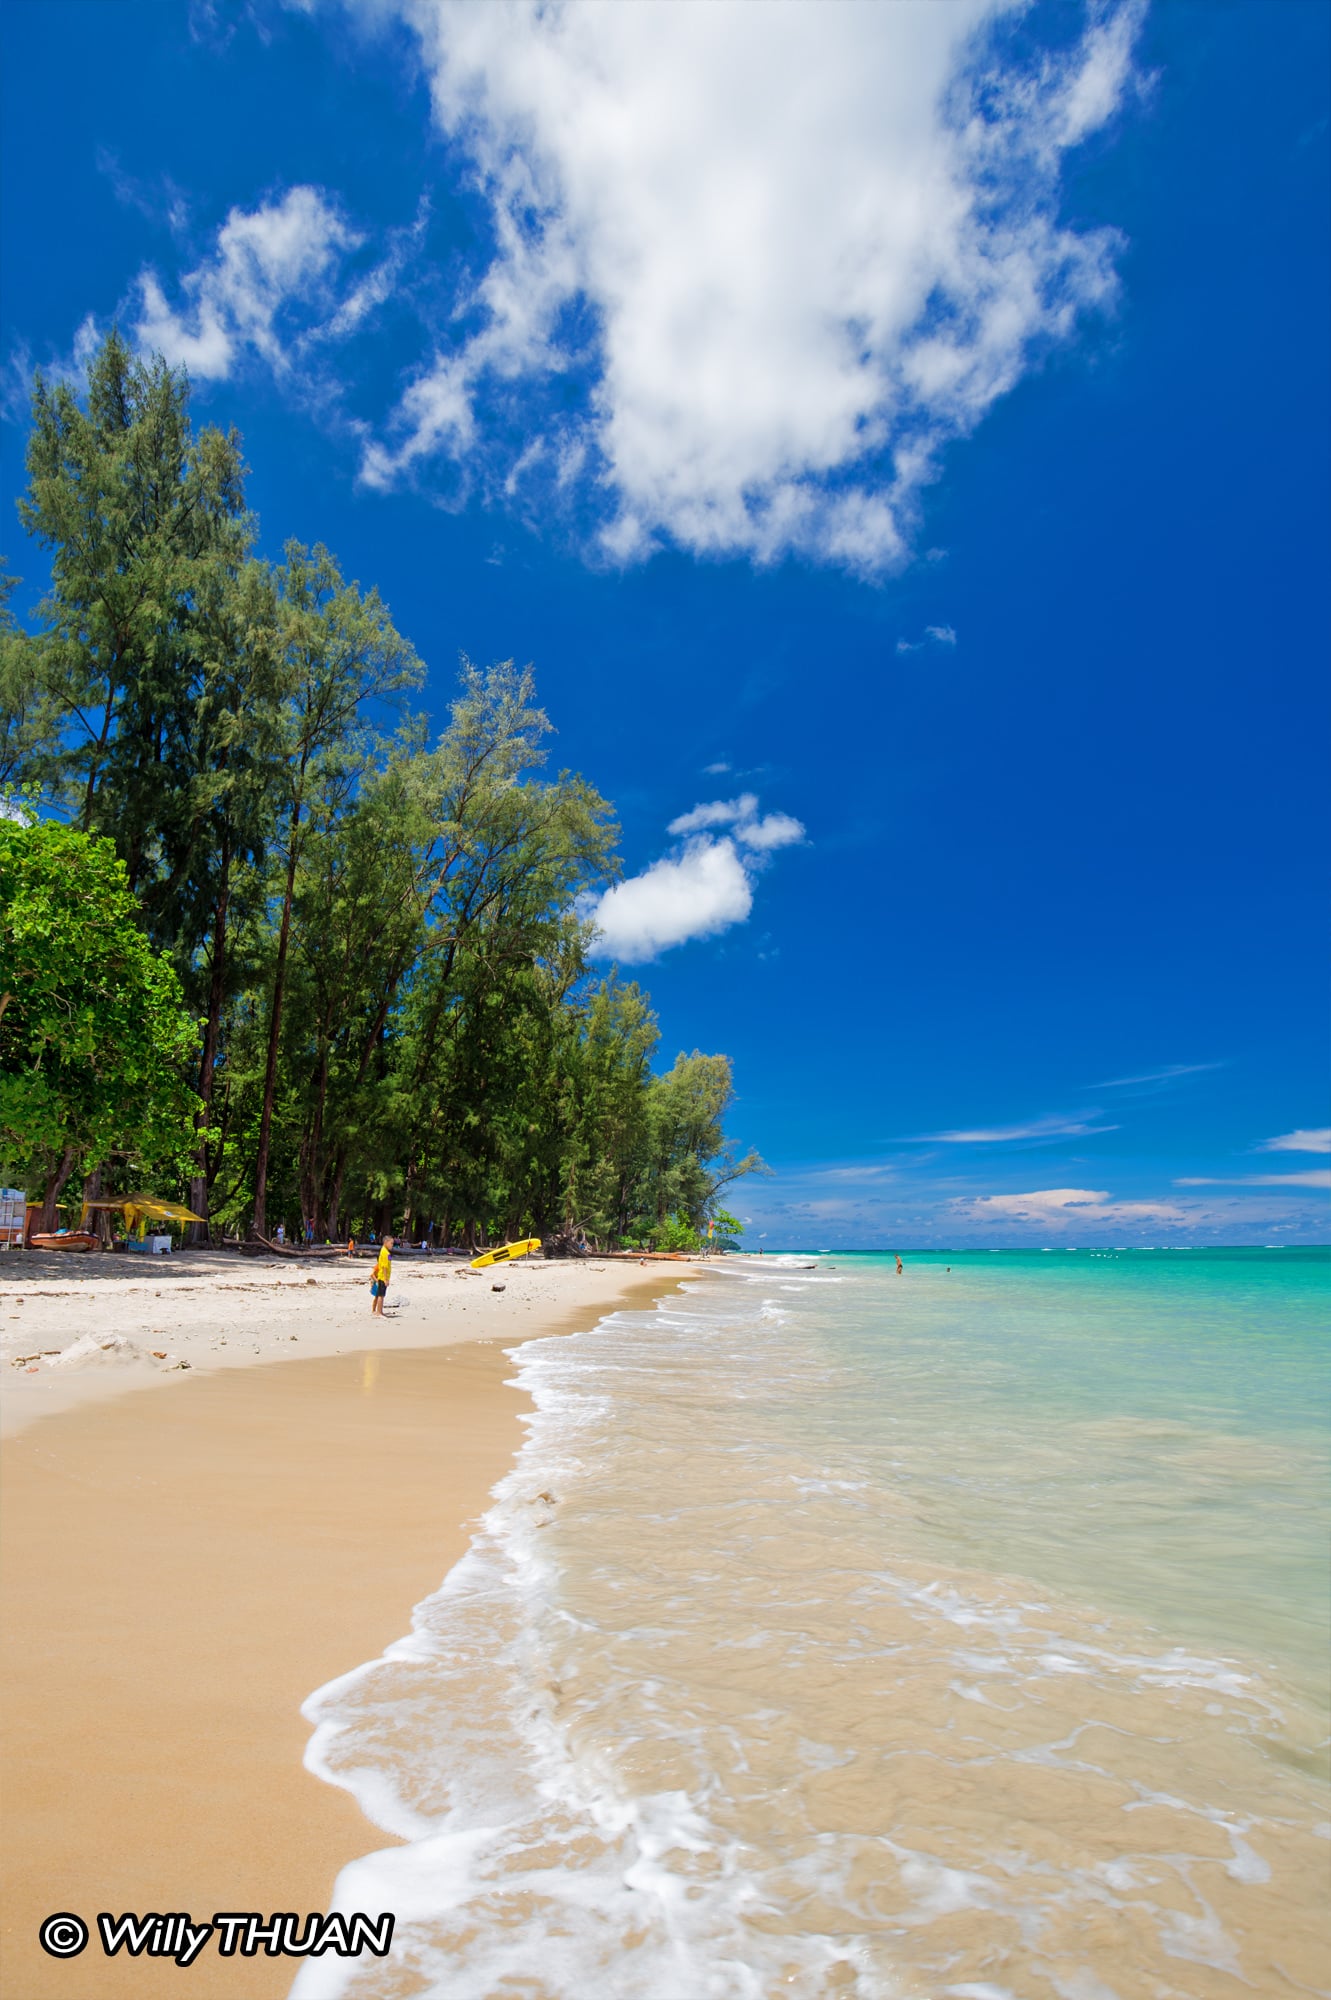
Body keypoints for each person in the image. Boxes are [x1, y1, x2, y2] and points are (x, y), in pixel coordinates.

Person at [370, 1234, 394, 1315]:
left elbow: (389, 1263)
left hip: (384, 1277)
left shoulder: (387, 1252)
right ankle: (379, 1312)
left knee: (381, 1295)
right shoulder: (384, 1252)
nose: (392, 1245)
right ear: (386, 1242)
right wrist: (386, 1279)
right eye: (391, 1243)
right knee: (381, 1295)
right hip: (383, 1277)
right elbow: (384, 1267)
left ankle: (380, 1311)